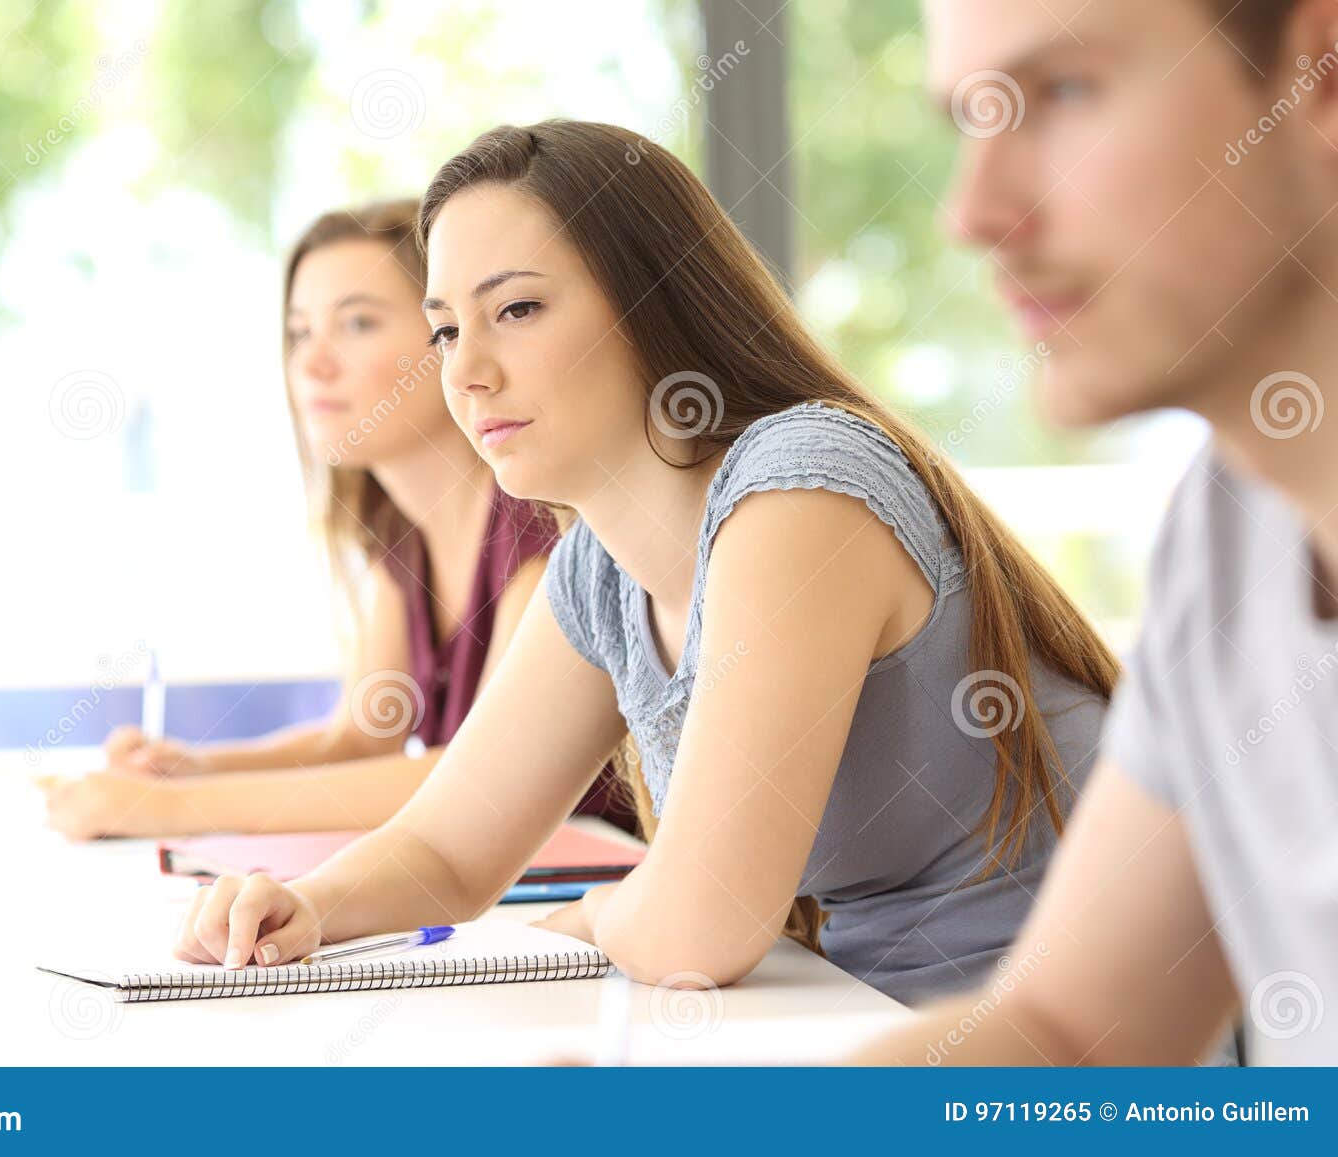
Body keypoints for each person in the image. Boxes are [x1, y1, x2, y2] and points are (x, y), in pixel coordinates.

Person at [166, 121, 1114, 1007]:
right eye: (447, 327)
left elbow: (700, 925)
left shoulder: (802, 492)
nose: (465, 370)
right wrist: (310, 904)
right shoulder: (599, 570)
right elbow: (448, 847)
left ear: (655, 303)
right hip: (874, 1020)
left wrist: (592, 916)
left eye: (519, 309)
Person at [854, 0, 1338, 1063]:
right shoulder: (1229, 528)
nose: (971, 213)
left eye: (1063, 93)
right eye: (968, 121)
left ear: (1320, 78)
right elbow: (1070, 1032)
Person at [42, 199, 633, 838]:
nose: (311, 365)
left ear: (447, 337)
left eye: (356, 324)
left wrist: (157, 811)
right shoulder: (402, 541)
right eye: (299, 333)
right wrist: (189, 768)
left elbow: (473, 782)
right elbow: (359, 740)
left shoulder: (543, 533)